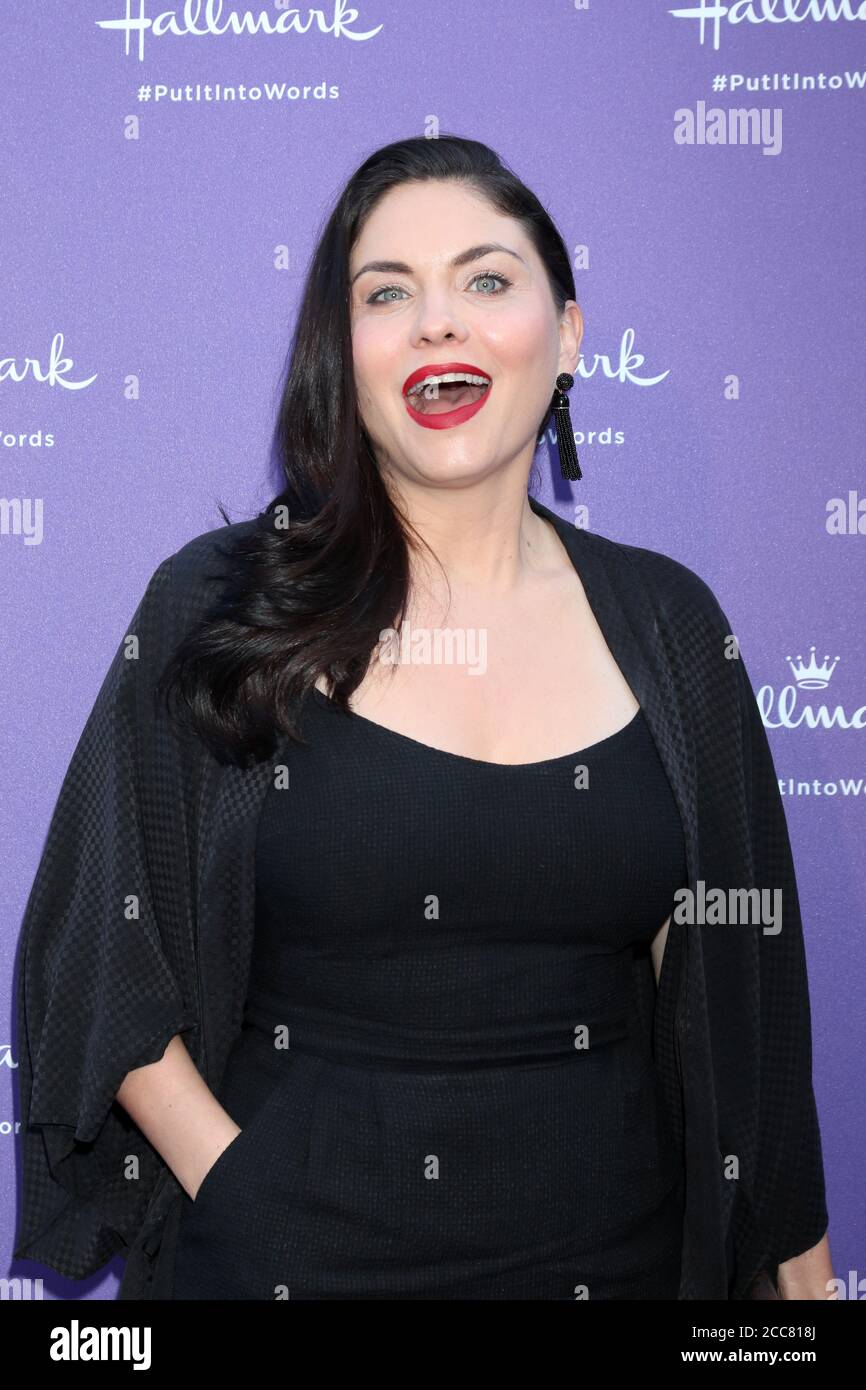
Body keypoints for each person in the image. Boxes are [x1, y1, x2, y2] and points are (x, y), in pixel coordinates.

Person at [13, 134, 831, 1300]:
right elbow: (99, 953)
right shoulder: (222, 602)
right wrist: (245, 1187)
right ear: (342, 358)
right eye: (386, 293)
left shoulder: (672, 628)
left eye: (486, 280)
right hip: (284, 1271)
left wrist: (800, 1303)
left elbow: (745, 1027)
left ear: (568, 335)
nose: (436, 321)